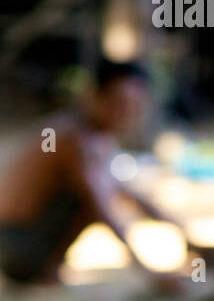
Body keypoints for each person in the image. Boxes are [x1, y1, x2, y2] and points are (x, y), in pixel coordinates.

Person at [0, 58, 186, 289]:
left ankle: (47, 270)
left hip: (19, 246)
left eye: (132, 108)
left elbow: (130, 196)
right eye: (118, 105)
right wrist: (149, 273)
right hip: (17, 250)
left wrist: (187, 237)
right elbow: (100, 208)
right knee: (89, 194)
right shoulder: (73, 138)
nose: (124, 115)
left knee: (102, 186)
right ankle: (43, 272)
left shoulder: (96, 138)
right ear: (95, 97)